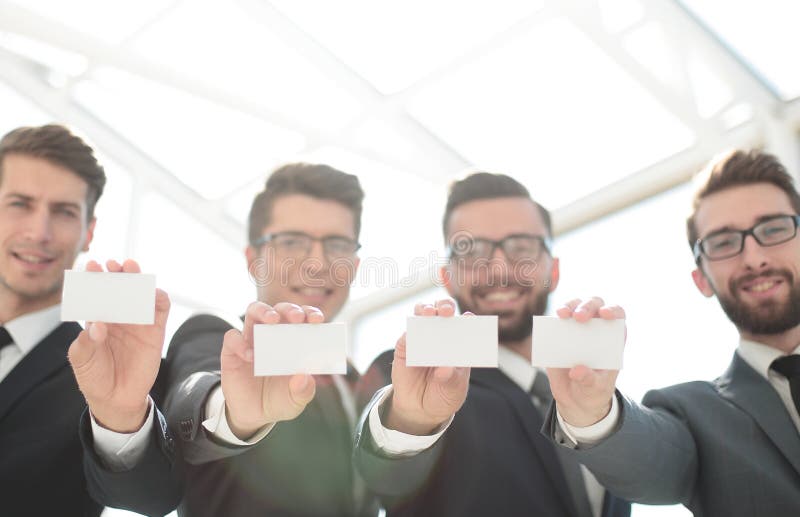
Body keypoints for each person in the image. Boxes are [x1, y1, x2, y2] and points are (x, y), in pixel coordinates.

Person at [82, 163, 379, 517]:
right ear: (254, 260)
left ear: (355, 265)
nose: (317, 263)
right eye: (292, 242)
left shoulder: (357, 382)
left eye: (337, 244)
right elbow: (191, 398)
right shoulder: (214, 335)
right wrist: (234, 411)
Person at [354, 172, 630, 517]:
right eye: (473, 251)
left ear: (553, 270)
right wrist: (410, 419)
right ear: (447, 276)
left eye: (521, 248)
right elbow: (382, 476)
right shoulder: (415, 373)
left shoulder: (593, 388)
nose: (499, 268)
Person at [544, 150, 800, 516]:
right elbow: (649, 463)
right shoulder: (693, 413)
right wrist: (592, 412)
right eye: (724, 242)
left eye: (773, 229)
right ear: (702, 280)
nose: (754, 257)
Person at [0, 124, 107, 516]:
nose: (39, 232)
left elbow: (146, 491)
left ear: (88, 232)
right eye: (20, 204)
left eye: (63, 212)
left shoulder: (98, 381)